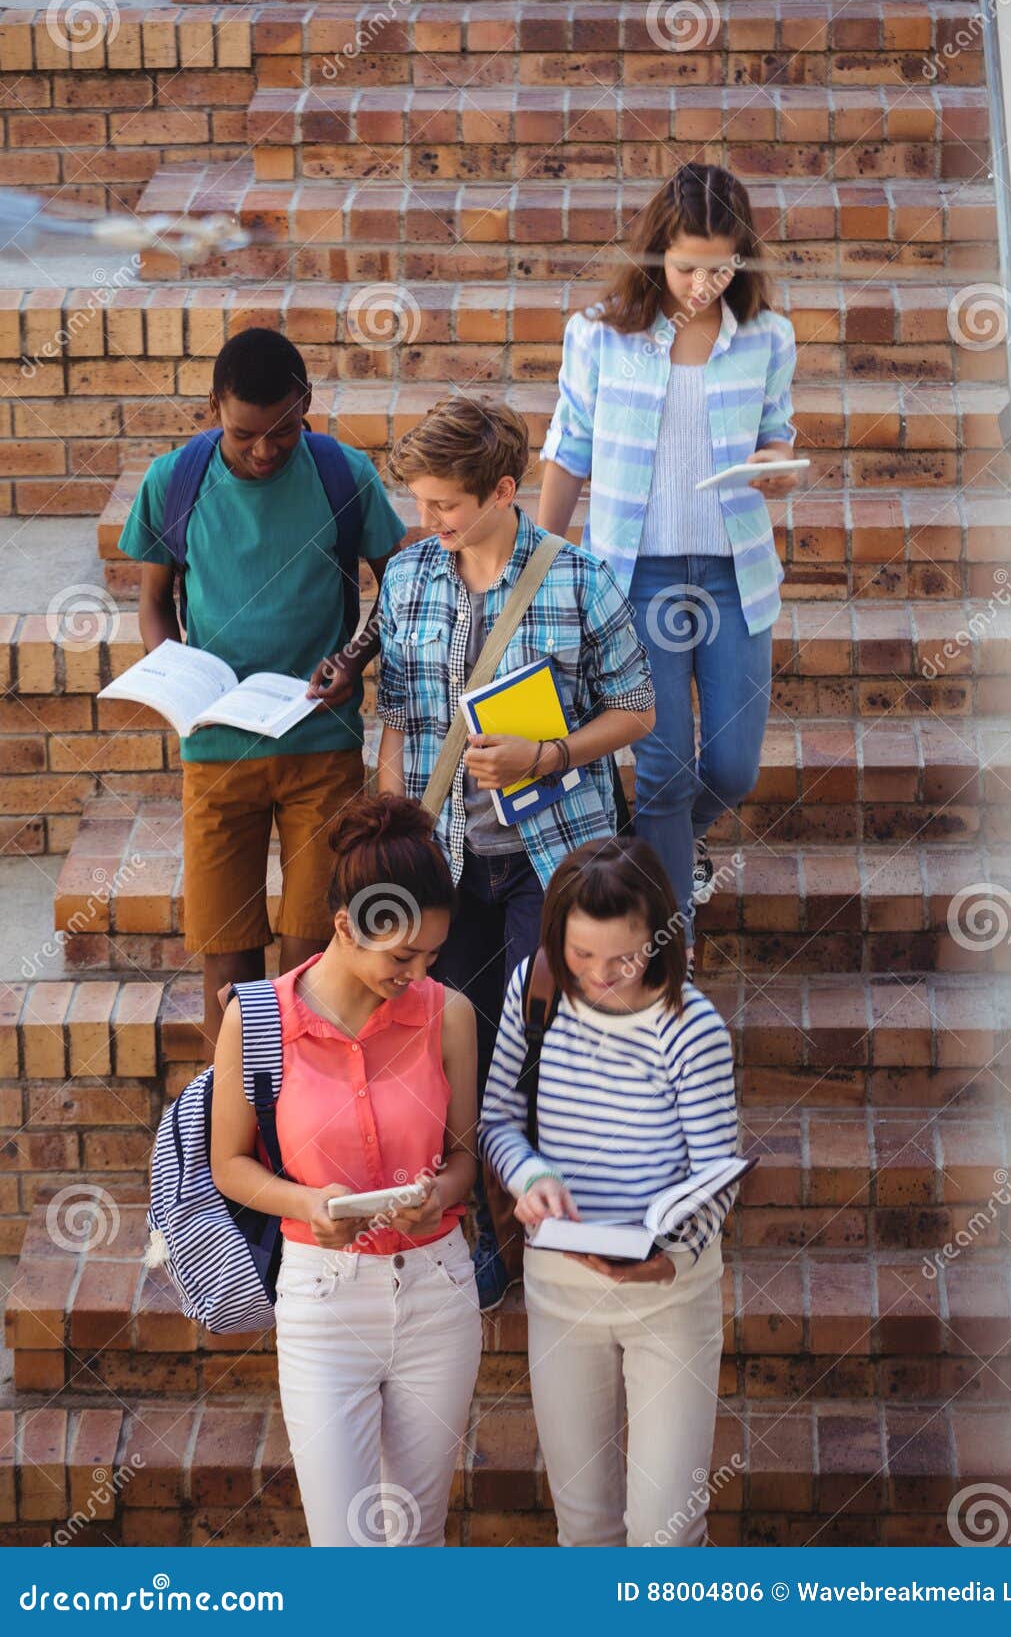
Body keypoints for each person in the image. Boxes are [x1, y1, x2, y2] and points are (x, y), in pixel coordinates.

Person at [375, 394, 655, 1308]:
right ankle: (480, 1241)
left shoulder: (581, 580)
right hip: (444, 865)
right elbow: (398, 722)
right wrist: (390, 846)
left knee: (543, 1050)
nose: (429, 523)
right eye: (420, 503)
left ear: (502, 490)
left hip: (553, 859)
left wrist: (548, 754)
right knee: (449, 1053)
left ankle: (562, 1236)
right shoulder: (409, 578)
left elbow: (637, 711)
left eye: (445, 506)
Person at [537, 162, 800, 950]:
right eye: (686, 265)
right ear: (656, 252)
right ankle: (666, 958)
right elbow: (569, 448)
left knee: (728, 769)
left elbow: (775, 433)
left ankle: (653, 847)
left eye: (719, 266)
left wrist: (778, 464)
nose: (701, 282)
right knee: (663, 775)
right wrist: (541, 561)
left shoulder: (765, 337)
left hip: (730, 576)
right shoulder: (599, 333)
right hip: (637, 580)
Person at [118, 327, 405, 1045]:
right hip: (215, 753)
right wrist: (173, 670)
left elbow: (400, 582)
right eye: (244, 433)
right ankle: (232, 1125)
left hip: (318, 747)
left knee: (313, 952)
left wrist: (353, 660)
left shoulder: (342, 474)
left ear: (305, 403)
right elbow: (154, 602)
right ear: (215, 406)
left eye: (282, 431)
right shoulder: (174, 481)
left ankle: (298, 1127)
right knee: (228, 960)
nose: (264, 450)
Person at [210, 794, 482, 1548]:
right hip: (322, 1304)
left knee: (415, 1541)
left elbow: (465, 1159)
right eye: (402, 957)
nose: (418, 972)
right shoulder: (258, 1018)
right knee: (345, 1549)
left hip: (438, 1290)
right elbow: (228, 1164)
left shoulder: (447, 1014)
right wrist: (307, 1200)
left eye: (430, 954)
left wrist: (439, 1198)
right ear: (344, 927)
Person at [480, 837, 739, 1548]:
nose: (598, 977)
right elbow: (496, 1120)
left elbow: (715, 1177)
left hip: (670, 1301)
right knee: (585, 1530)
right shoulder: (531, 992)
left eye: (621, 958)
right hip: (560, 1293)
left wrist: (672, 1254)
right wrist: (530, 1176)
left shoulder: (693, 1029)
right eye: (580, 956)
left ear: (658, 938)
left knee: (667, 1532)